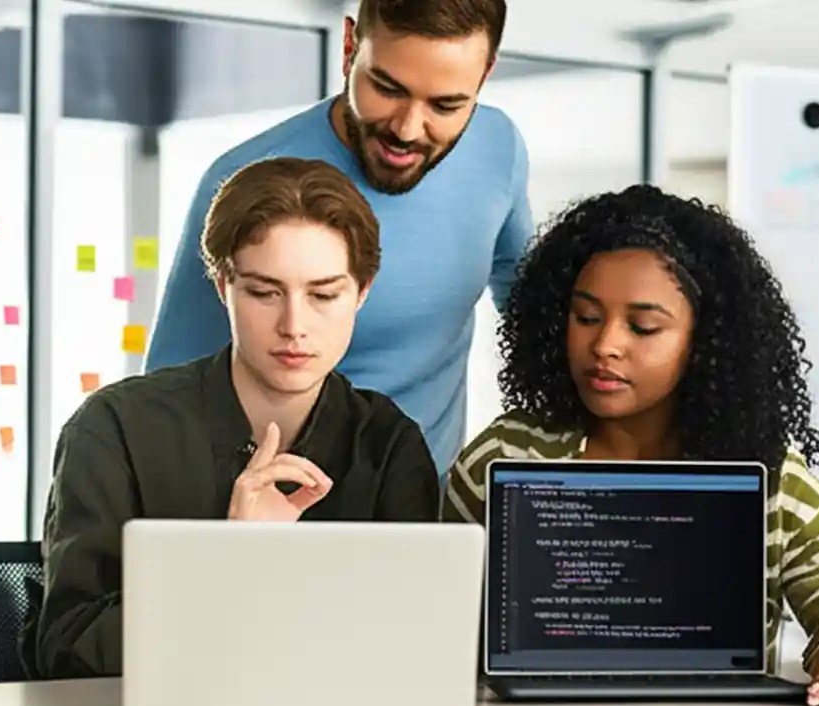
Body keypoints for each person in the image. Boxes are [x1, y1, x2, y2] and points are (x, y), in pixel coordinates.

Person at [441, 185, 819, 706]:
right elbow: (433, 613)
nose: (605, 345)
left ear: (705, 341)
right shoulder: (504, 456)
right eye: (586, 317)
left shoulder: (771, 476)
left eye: (643, 327)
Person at [29, 158, 439, 680]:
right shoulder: (115, 430)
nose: (294, 326)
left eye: (323, 295)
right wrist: (230, 564)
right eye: (265, 292)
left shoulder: (387, 443)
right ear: (224, 284)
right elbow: (68, 651)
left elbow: (414, 647)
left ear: (362, 291)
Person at [146, 0, 531, 477]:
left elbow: (536, 317)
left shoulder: (499, 148)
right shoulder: (240, 181)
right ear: (350, 47)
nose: (408, 129)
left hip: (431, 518)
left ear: (486, 73)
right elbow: (166, 401)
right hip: (279, 515)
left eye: (446, 105)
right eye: (386, 88)